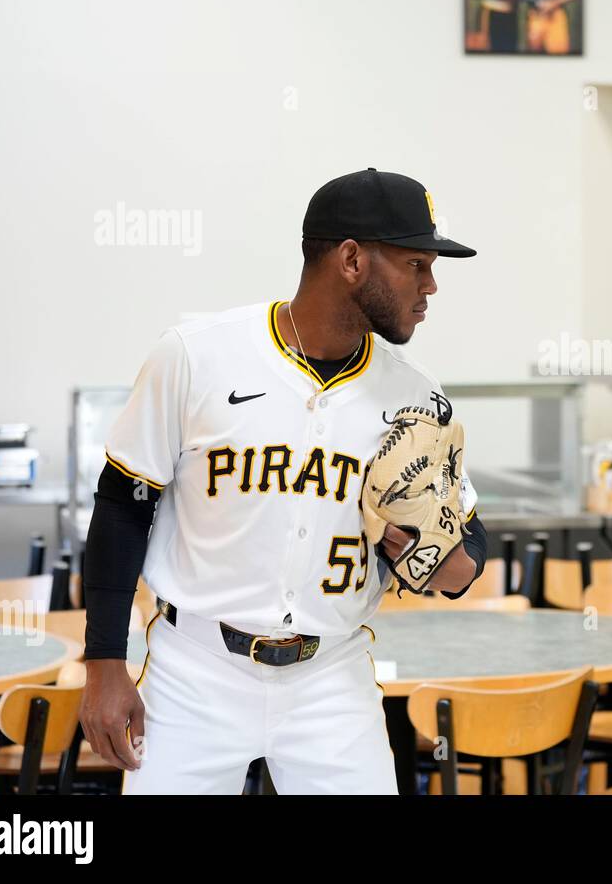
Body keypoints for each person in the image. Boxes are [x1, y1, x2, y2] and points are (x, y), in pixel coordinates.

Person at [79, 168, 489, 794]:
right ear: (352, 259)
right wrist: (105, 663)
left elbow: (465, 553)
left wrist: (445, 558)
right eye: (416, 264)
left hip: (331, 676)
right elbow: (122, 509)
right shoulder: (196, 356)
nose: (430, 286)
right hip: (196, 671)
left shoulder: (414, 393)